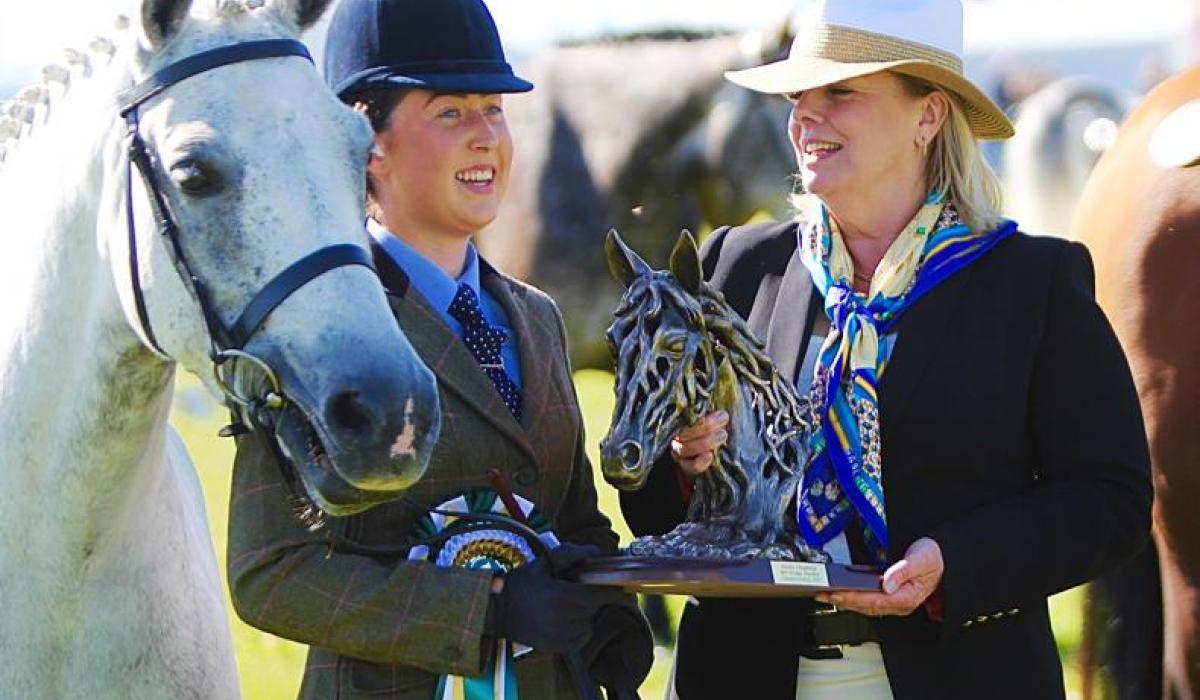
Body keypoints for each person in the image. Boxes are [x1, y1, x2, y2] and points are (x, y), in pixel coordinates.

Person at [619, 1, 1153, 698]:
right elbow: (653, 511)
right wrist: (685, 464)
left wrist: (955, 565)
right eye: (797, 95)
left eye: (840, 91)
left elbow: (1109, 502)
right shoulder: (734, 270)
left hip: (957, 675)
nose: (807, 114)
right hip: (743, 675)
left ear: (928, 116)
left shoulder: (1032, 283)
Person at [226, 1, 652, 698]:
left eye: (494, 108)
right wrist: (484, 610)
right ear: (366, 140)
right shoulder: (306, 330)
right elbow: (271, 572)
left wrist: (611, 603)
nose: (486, 136)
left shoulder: (537, 318)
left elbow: (570, 516)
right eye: (451, 113)